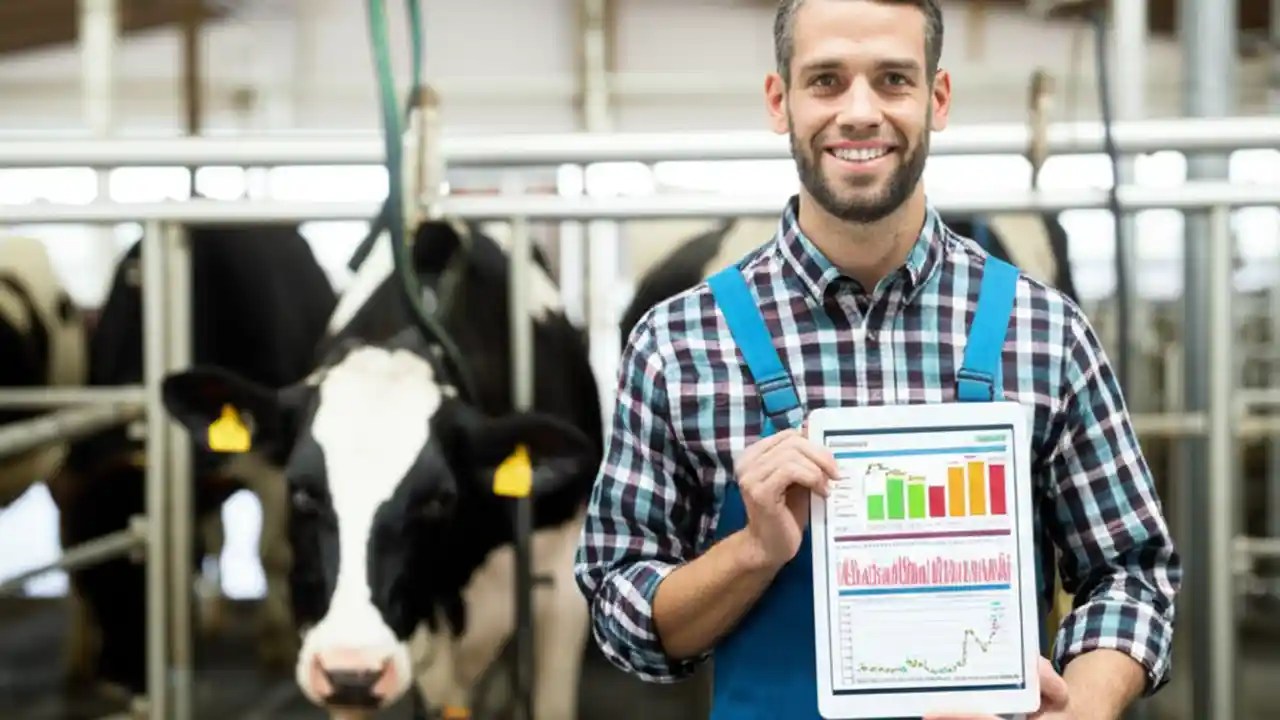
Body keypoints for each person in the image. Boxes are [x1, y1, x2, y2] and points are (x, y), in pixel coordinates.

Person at [572, 1, 1181, 718]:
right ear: (779, 100)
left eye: (893, 79)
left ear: (937, 98)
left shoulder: (1044, 332)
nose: (860, 113)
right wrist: (752, 551)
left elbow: (1132, 576)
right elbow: (620, 612)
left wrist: (1081, 709)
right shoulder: (678, 345)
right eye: (826, 80)